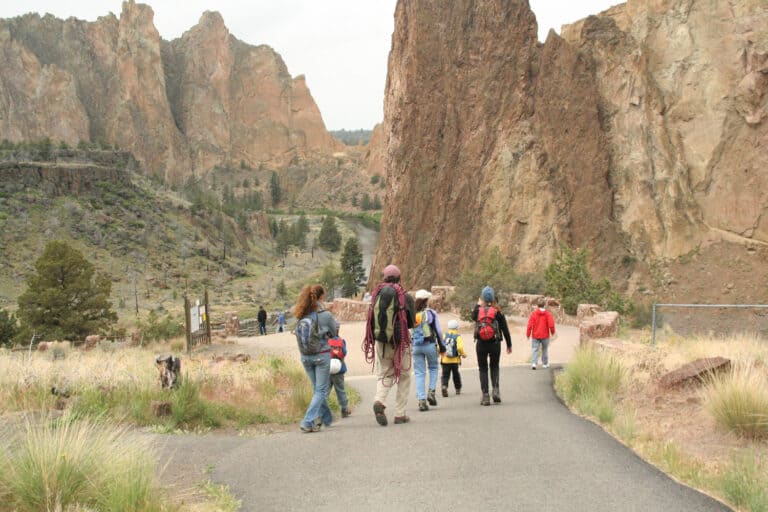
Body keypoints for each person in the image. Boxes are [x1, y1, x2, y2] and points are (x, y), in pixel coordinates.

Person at [363, 264, 415, 426]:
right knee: (404, 376)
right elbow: (411, 323)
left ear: (384, 278)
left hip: (381, 342)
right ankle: (400, 414)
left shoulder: (376, 296)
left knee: (384, 374)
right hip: (401, 342)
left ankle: (379, 400)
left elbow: (371, 320)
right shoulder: (405, 297)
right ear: (399, 278)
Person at [293, 284, 338, 433]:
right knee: (320, 390)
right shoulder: (325, 315)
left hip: (305, 356)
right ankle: (307, 421)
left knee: (316, 389)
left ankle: (325, 418)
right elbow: (335, 329)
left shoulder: (301, 315)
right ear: (321, 297)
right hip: (321, 355)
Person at [471, 286, 512, 406]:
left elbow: (473, 317)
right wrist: (509, 345)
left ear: (482, 298)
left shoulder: (478, 311)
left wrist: (478, 304)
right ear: (493, 298)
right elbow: (505, 329)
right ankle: (495, 391)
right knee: (494, 366)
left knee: (483, 368)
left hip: (481, 344)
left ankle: (485, 396)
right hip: (495, 343)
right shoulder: (498, 312)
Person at [411, 289, 446, 411]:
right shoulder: (431, 313)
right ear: (426, 300)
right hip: (429, 344)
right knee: (433, 368)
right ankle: (431, 392)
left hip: (415, 346)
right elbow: (438, 331)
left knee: (419, 373)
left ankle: (421, 400)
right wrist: (442, 347)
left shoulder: (411, 314)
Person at [527, 297, 556, 370]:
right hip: (545, 335)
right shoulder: (548, 314)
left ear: (537, 305)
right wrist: (553, 332)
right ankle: (545, 363)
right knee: (545, 349)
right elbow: (551, 325)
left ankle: (534, 363)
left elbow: (530, 325)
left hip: (535, 335)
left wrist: (528, 334)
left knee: (534, 349)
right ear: (544, 305)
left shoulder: (533, 314)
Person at [328, 330, 351, 418]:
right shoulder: (341, 341)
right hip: (339, 369)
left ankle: (322, 409)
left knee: (325, 391)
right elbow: (344, 352)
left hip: (327, 370)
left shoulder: (325, 341)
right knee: (340, 390)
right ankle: (344, 409)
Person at [440, 319, 467, 396]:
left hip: (445, 360)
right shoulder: (458, 337)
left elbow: (440, 346)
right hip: (455, 360)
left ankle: (444, 386)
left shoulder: (445, 335)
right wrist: (463, 354)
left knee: (445, 375)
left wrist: (439, 353)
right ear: (457, 327)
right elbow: (460, 348)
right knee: (456, 375)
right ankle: (458, 389)